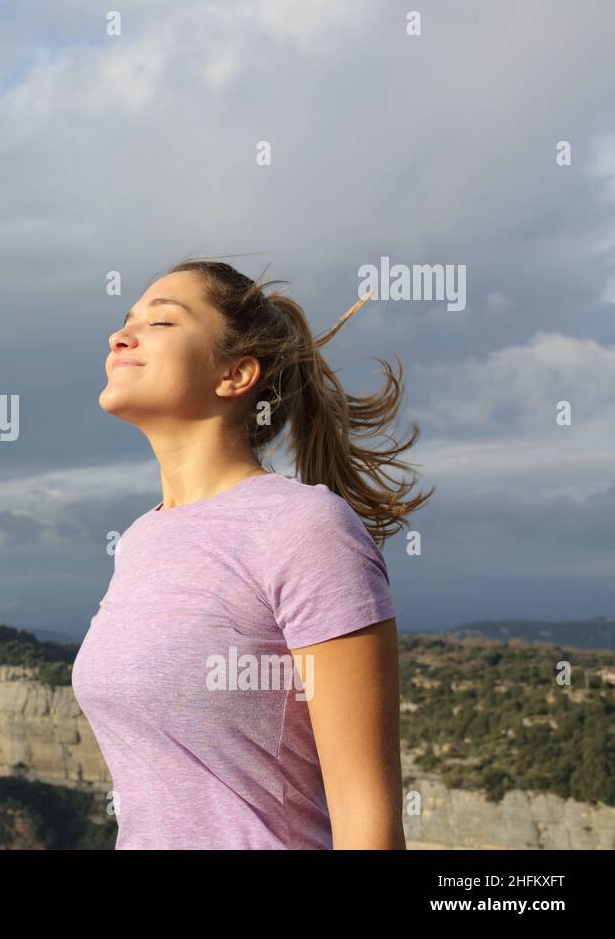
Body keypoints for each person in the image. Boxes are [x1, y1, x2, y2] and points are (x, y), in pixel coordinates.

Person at [70, 258, 433, 849]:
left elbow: (366, 818)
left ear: (236, 374)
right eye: (126, 320)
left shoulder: (303, 527)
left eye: (161, 322)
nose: (120, 335)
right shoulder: (140, 539)